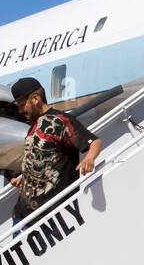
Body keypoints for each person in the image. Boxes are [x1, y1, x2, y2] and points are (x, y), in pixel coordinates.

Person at [10, 77, 102, 222]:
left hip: (52, 216)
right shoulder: (33, 127)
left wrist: (89, 158)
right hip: (23, 215)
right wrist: (24, 176)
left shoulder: (60, 121)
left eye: (22, 105)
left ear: (35, 99)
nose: (20, 111)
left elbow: (94, 141)